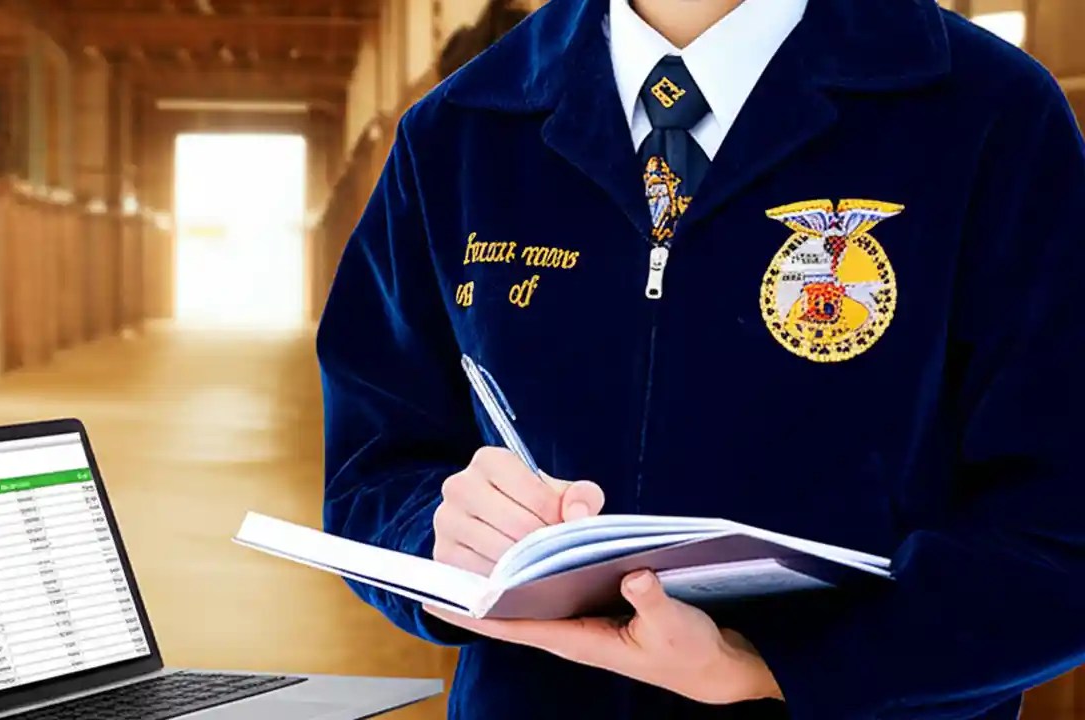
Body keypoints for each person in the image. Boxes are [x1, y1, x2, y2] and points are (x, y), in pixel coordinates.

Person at [316, 0, 1085, 717]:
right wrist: (438, 533)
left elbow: (1062, 530)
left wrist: (778, 665)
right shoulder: (461, 130)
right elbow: (376, 467)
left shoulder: (991, 116)